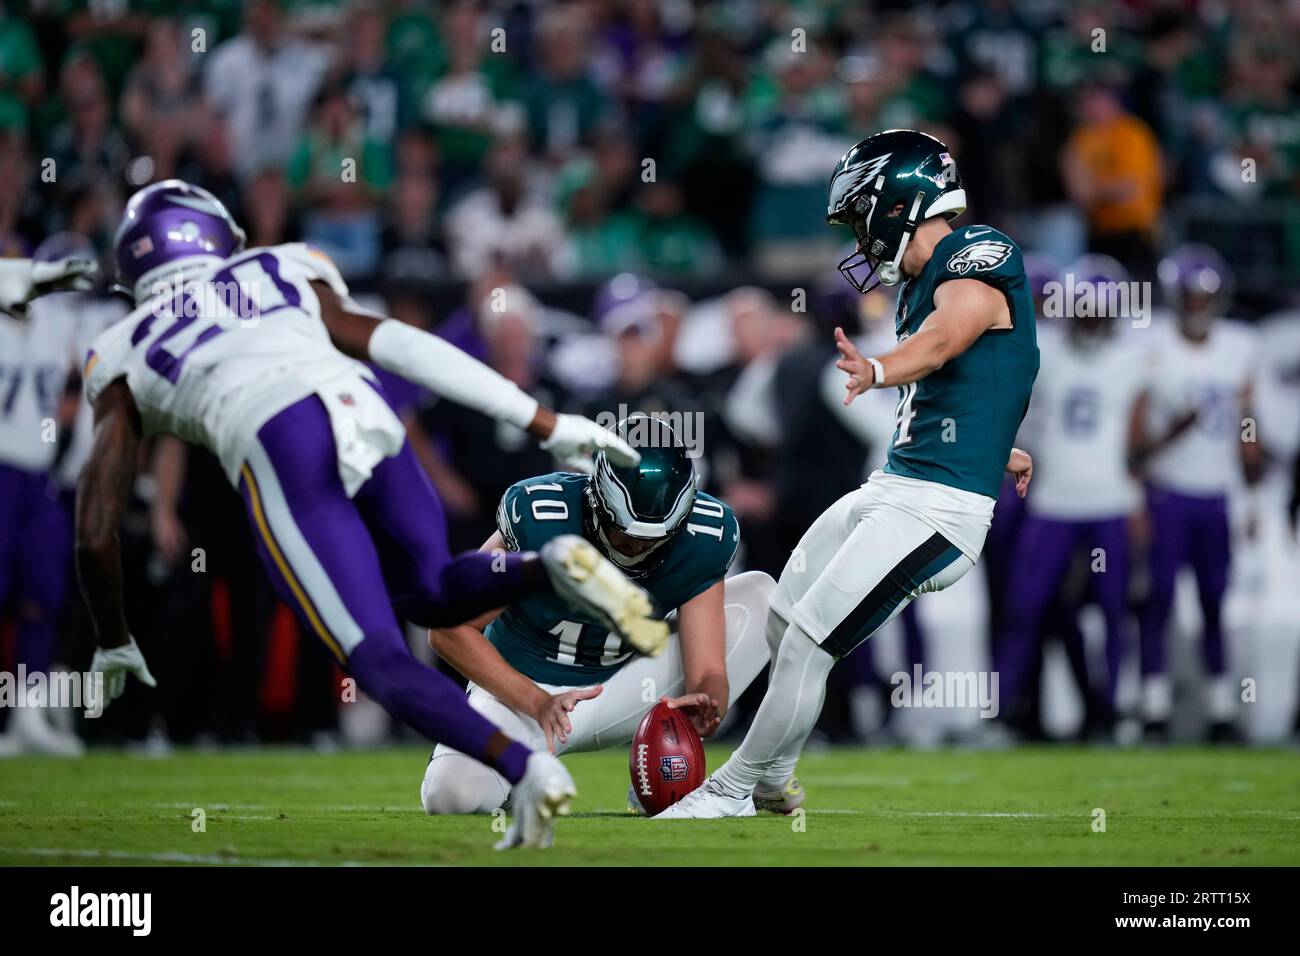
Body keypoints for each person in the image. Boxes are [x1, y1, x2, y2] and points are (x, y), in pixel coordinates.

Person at [74, 179, 664, 849]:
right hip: (363, 403)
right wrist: (543, 421)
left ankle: (522, 766)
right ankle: (549, 564)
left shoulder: (118, 347)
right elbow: (399, 346)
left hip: (276, 435)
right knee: (435, 589)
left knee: (375, 654)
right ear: (216, 234)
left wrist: (113, 636)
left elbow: (96, 534)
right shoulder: (280, 264)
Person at [657, 129, 1037, 818]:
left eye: (863, 217)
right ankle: (774, 779)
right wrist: (994, 446)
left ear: (898, 206)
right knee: (781, 621)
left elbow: (949, 339)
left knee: (810, 641)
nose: (859, 238)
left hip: (936, 511)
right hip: (892, 487)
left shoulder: (979, 254)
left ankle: (737, 788)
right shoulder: (921, 280)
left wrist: (881, 368)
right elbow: (963, 385)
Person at [420, 418, 773, 815]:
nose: (638, 547)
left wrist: (707, 703)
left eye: (654, 538)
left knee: (761, 599)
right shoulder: (542, 517)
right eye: (627, 534)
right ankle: (521, 776)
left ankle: (663, 772)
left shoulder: (703, 536)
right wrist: (536, 701)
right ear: (596, 502)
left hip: (626, 685)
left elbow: (708, 668)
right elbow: (447, 625)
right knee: (452, 795)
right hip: (520, 692)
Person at [997, 255, 1147, 740]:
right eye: (1084, 305)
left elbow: (1163, 420)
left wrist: (1143, 485)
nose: (1091, 314)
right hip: (1052, 501)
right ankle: (1005, 713)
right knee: (1024, 606)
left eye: (1100, 307)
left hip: (1112, 501)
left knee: (1113, 611)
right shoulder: (1044, 352)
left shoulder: (1138, 355)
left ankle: (1112, 715)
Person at [1131, 244, 1261, 743]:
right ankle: (1154, 705)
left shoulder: (1239, 346)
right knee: (1159, 598)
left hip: (1217, 492)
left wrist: (1249, 470)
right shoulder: (1151, 346)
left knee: (1214, 600)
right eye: (1192, 297)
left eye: (1207, 298)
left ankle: (1222, 706)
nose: (1200, 306)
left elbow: (1247, 421)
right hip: (1168, 492)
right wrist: (1164, 447)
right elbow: (1137, 436)